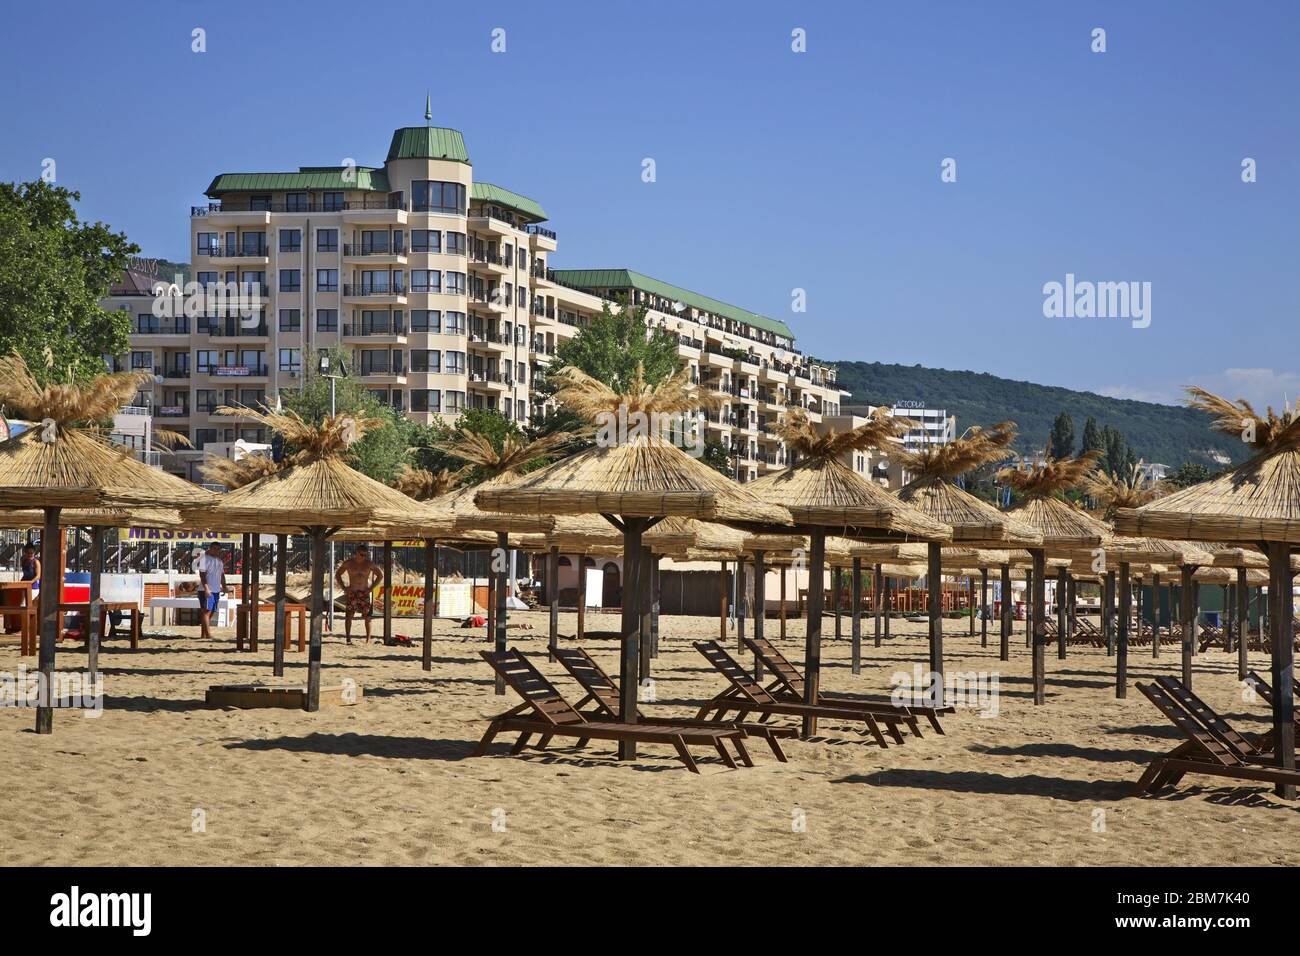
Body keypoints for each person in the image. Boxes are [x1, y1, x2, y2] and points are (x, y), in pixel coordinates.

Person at [335, 544, 383, 644]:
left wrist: (371, 588)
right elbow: (338, 574)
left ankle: (368, 639)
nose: (363, 557)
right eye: (362, 555)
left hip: (364, 592)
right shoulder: (349, 563)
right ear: (357, 553)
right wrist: (344, 587)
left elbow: (380, 575)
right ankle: (348, 638)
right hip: (352, 591)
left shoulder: (368, 563)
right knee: (349, 615)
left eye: (365, 555)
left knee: (367, 616)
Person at [194, 543, 226, 641]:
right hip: (206, 589)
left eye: (218, 549)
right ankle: (208, 635)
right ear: (210, 549)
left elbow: (222, 575)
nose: (216, 551)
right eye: (215, 549)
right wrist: (206, 588)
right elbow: (202, 575)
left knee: (211, 611)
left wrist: (224, 587)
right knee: (206, 611)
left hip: (216, 589)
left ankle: (204, 634)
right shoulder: (205, 559)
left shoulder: (219, 561)